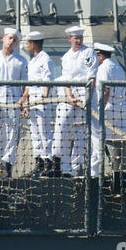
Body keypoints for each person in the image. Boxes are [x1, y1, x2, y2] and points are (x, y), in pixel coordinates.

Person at [51, 26, 97, 176]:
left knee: (80, 133)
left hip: (85, 94)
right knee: (62, 126)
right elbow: (66, 79)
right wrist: (69, 96)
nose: (78, 41)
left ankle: (76, 169)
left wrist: (86, 99)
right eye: (75, 38)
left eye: (80, 38)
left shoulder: (89, 53)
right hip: (70, 95)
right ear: (69, 39)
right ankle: (59, 164)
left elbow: (92, 78)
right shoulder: (66, 57)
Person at [0, 28, 28, 175]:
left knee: (12, 132)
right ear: (3, 38)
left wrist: (23, 99)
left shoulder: (21, 61)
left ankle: (7, 164)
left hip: (14, 99)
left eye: (14, 39)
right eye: (9, 38)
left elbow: (26, 84)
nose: (11, 41)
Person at [89, 43, 126, 178]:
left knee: (100, 139)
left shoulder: (103, 68)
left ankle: (101, 172)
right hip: (122, 107)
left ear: (100, 56)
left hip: (108, 107)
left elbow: (106, 90)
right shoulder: (118, 68)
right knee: (123, 140)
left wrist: (100, 107)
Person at [22, 30, 55, 174]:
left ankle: (48, 163)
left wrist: (45, 98)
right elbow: (30, 83)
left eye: (28, 43)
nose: (26, 46)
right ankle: (39, 163)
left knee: (44, 131)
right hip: (33, 100)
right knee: (34, 132)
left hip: (41, 100)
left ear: (33, 44)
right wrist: (25, 99)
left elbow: (47, 79)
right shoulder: (33, 60)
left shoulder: (45, 59)